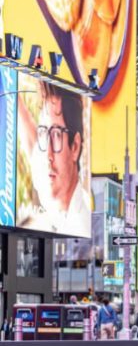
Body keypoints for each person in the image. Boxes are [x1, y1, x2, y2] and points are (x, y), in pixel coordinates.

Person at [16, 82, 89, 235]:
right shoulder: (46, 178)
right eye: (44, 132)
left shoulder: (82, 223)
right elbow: (31, 141)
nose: (48, 155)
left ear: (75, 146)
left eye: (56, 134)